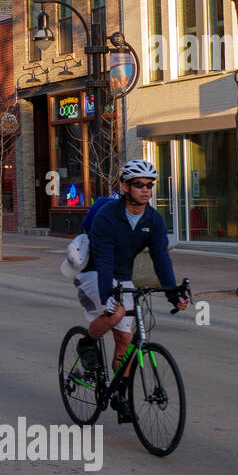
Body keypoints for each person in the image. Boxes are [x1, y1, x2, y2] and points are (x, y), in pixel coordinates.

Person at [72, 160, 189, 419]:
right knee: (115, 313)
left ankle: (119, 395)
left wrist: (173, 294)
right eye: (139, 185)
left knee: (125, 340)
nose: (146, 189)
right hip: (93, 273)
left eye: (150, 185)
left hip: (122, 276)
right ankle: (86, 343)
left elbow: (161, 259)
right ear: (125, 186)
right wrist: (107, 295)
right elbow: (102, 259)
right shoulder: (106, 217)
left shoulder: (154, 220)